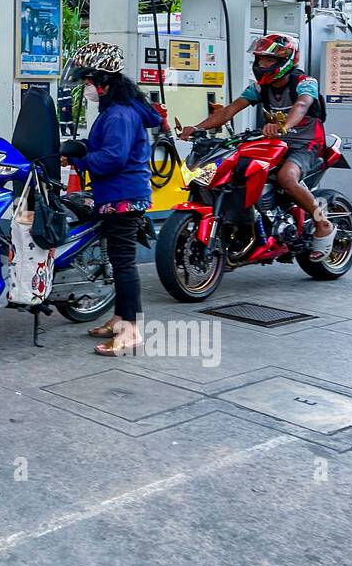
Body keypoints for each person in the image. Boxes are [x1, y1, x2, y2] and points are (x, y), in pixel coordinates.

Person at [180, 33, 334, 259]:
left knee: (287, 177)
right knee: (236, 167)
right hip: (274, 142)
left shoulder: (305, 82)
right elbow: (228, 111)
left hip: (306, 142)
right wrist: (196, 128)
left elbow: (302, 105)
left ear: (285, 61)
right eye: (260, 60)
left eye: (269, 60)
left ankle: (323, 223)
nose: (262, 65)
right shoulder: (260, 88)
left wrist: (284, 126)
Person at [60, 42, 162, 357]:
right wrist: (79, 149)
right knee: (119, 264)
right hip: (117, 194)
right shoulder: (117, 109)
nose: (86, 88)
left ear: (103, 81)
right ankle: (119, 319)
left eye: (88, 81)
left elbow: (113, 158)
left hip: (123, 197)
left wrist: (79, 161)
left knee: (124, 265)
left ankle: (130, 332)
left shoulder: (119, 114)